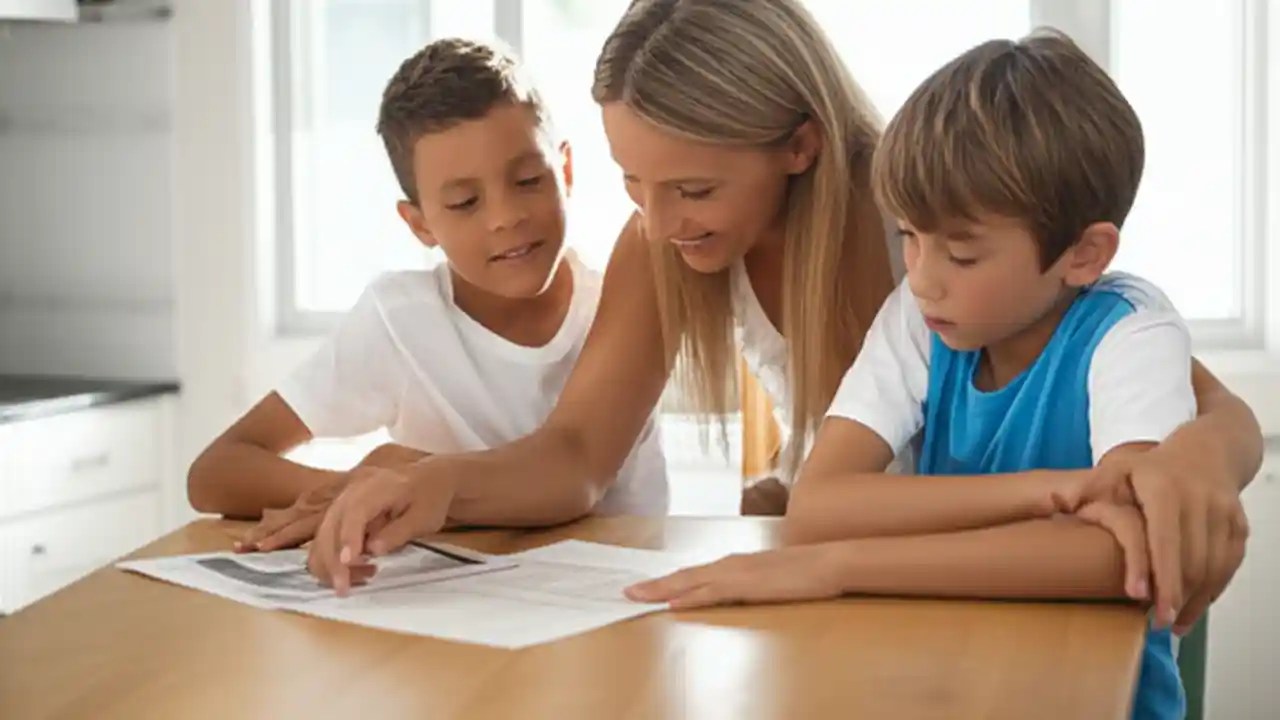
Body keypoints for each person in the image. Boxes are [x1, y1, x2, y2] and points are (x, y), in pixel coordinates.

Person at [303, 0, 1261, 633]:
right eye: (633, 182)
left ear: (798, 145)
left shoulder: (916, 222)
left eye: (693, 187)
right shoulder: (665, 241)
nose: (658, 218)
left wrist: (1181, 468)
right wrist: (443, 485)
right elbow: (576, 455)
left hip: (999, 587)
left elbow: (1205, 407)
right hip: (871, 582)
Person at [626, 31, 1222, 718]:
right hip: (939, 676)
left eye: (962, 256)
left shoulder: (1132, 334)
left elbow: (1122, 559)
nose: (923, 278)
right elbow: (821, 504)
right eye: (909, 237)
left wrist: (838, 567)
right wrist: (1051, 493)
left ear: (1084, 254)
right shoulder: (919, 318)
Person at [186, 37, 669, 555]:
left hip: (614, 594)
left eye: (529, 180)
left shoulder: (621, 306)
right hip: (456, 607)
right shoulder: (400, 320)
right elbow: (215, 471)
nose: (505, 217)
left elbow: (576, 471)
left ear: (566, 171)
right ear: (419, 224)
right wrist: (356, 490)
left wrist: (411, 480)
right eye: (465, 203)